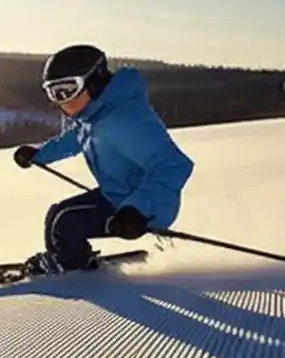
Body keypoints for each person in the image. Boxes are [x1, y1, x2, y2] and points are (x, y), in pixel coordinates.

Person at [13, 44, 194, 275]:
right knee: (57, 213)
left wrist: (136, 210)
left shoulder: (125, 120)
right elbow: (74, 139)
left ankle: (69, 265)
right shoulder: (94, 115)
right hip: (119, 195)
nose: (61, 101)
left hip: (145, 208)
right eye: (53, 92)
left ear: (94, 82)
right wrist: (39, 154)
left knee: (65, 222)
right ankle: (69, 258)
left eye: (67, 90)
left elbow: (174, 165)